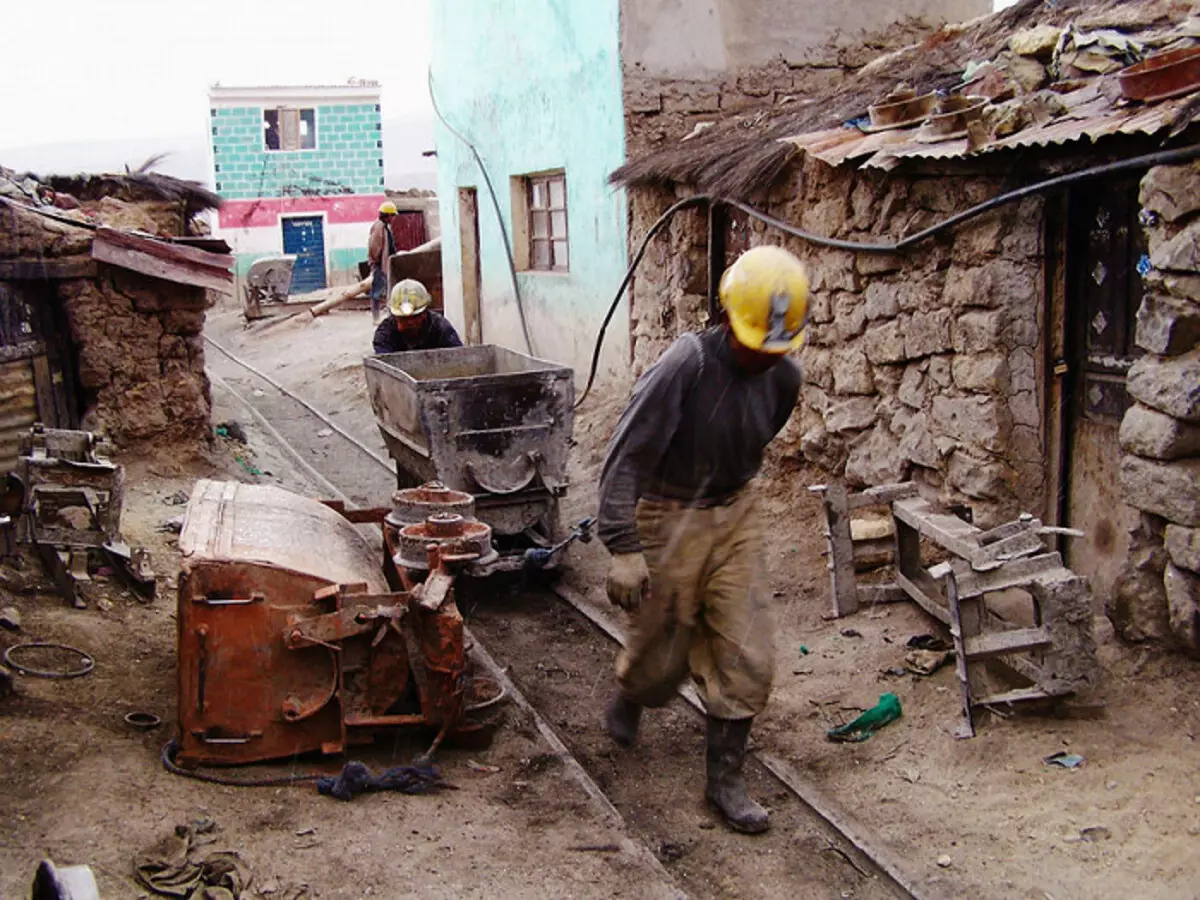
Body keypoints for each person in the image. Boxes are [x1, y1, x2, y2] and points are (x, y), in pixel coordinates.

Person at [596, 244, 808, 835]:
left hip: (734, 512)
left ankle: (726, 780)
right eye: (754, 343)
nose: (765, 358)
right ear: (725, 319)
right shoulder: (684, 365)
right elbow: (627, 452)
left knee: (748, 648)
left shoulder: (783, 376)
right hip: (668, 512)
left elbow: (755, 438)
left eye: (776, 348)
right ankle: (633, 693)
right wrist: (623, 545)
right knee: (662, 654)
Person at [372, 279, 463, 354]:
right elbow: (382, 367)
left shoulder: (440, 328)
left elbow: (459, 357)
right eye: (404, 319)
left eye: (415, 317)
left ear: (425, 313)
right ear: (395, 317)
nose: (410, 322)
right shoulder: (384, 334)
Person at [368, 201, 398, 321]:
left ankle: (385, 315)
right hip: (380, 264)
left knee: (385, 290)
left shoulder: (384, 227)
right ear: (387, 215)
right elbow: (374, 246)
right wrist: (376, 261)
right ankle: (376, 318)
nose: (393, 218)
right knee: (377, 291)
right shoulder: (379, 226)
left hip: (384, 264)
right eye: (392, 215)